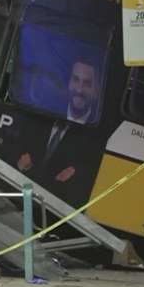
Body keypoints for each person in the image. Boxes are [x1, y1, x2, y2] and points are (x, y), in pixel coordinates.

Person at [16, 58, 100, 203]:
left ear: (96, 92)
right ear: (68, 83)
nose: (79, 89)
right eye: (75, 80)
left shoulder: (96, 140)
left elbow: (76, 191)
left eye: (87, 84)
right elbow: (17, 153)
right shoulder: (41, 115)